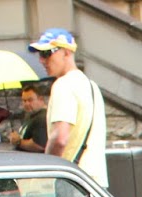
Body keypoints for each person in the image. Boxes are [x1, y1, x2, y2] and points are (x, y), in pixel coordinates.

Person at [30, 28, 108, 184]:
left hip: (71, 182)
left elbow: (60, 138)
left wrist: (46, 172)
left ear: (66, 52)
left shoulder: (63, 85)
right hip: (95, 181)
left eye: (47, 54)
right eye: (40, 55)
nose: (42, 60)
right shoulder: (91, 86)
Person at [10, 81, 48, 153]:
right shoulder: (30, 115)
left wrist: (18, 142)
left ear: (41, 99)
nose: (26, 104)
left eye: (30, 100)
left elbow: (39, 145)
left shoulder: (42, 118)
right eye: (24, 100)